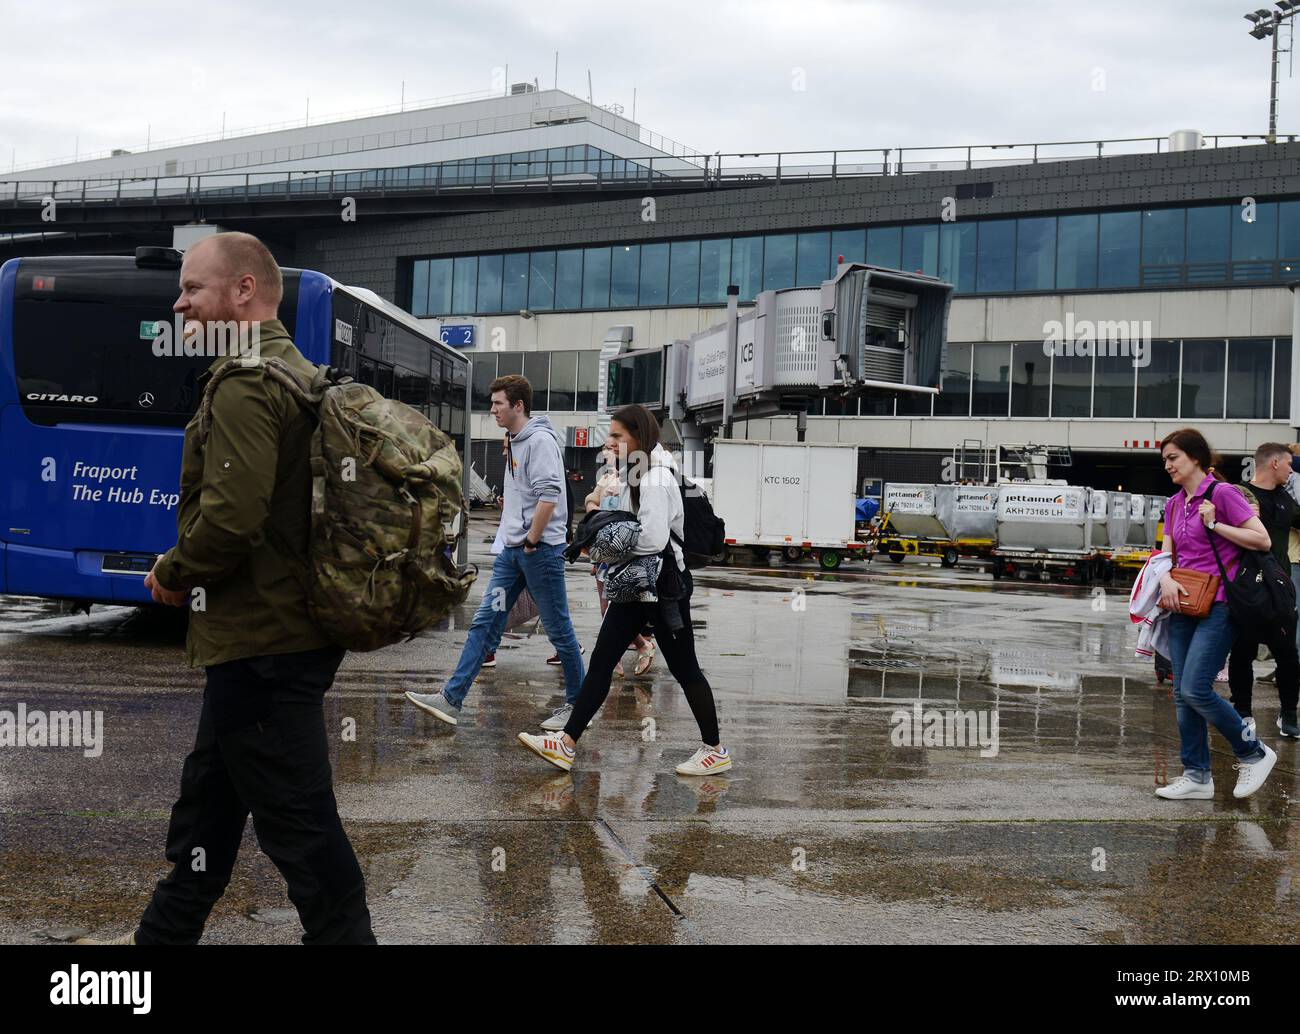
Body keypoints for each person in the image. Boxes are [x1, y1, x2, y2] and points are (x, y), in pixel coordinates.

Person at [81, 232, 376, 944]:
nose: (179, 304)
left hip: (264, 653)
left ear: (243, 291)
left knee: (306, 841)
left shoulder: (246, 380)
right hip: (261, 645)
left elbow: (231, 520)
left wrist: (171, 572)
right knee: (202, 834)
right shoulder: (298, 373)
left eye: (193, 289)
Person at [517, 405, 731, 776]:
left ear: (638, 436)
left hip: (664, 588)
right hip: (640, 585)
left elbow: (652, 536)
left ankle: (714, 749)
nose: (610, 442)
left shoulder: (655, 478)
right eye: (610, 435)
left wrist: (609, 543)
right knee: (602, 660)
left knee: (686, 669)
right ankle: (566, 743)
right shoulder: (642, 471)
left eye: (617, 436)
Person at [406, 374, 585, 731]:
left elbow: (551, 495)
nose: (492, 410)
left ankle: (579, 706)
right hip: (514, 554)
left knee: (558, 628)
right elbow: (531, 495)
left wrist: (533, 540)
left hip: (539, 552)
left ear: (518, 405)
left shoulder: (539, 441)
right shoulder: (515, 439)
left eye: (498, 404)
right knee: (486, 622)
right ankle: (451, 699)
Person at [1154, 428, 1278, 801]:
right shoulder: (1176, 502)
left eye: (1173, 457)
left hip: (1221, 604)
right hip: (1182, 603)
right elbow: (1164, 553)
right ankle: (1197, 775)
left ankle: (1253, 752)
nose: (1168, 465)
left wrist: (1215, 523)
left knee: (1195, 688)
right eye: (1165, 460)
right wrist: (1164, 580)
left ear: (1195, 457)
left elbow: (1263, 539)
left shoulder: (1223, 494)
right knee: (1181, 693)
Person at [1226, 444, 1300, 739]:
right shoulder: (1238, 494)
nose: (1292, 470)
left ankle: (1289, 714)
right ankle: (1243, 712)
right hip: (1245, 586)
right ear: (1274, 463)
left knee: (1288, 655)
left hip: (1279, 589)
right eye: (1288, 464)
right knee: (1242, 652)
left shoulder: (1285, 500)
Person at [586, 440, 656, 678]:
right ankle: (637, 647)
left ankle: (621, 653)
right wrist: (597, 514)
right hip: (604, 553)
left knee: (617, 609)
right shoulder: (606, 479)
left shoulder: (635, 480)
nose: (606, 452)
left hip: (625, 556)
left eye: (611, 447)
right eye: (606, 448)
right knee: (605, 607)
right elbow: (590, 500)